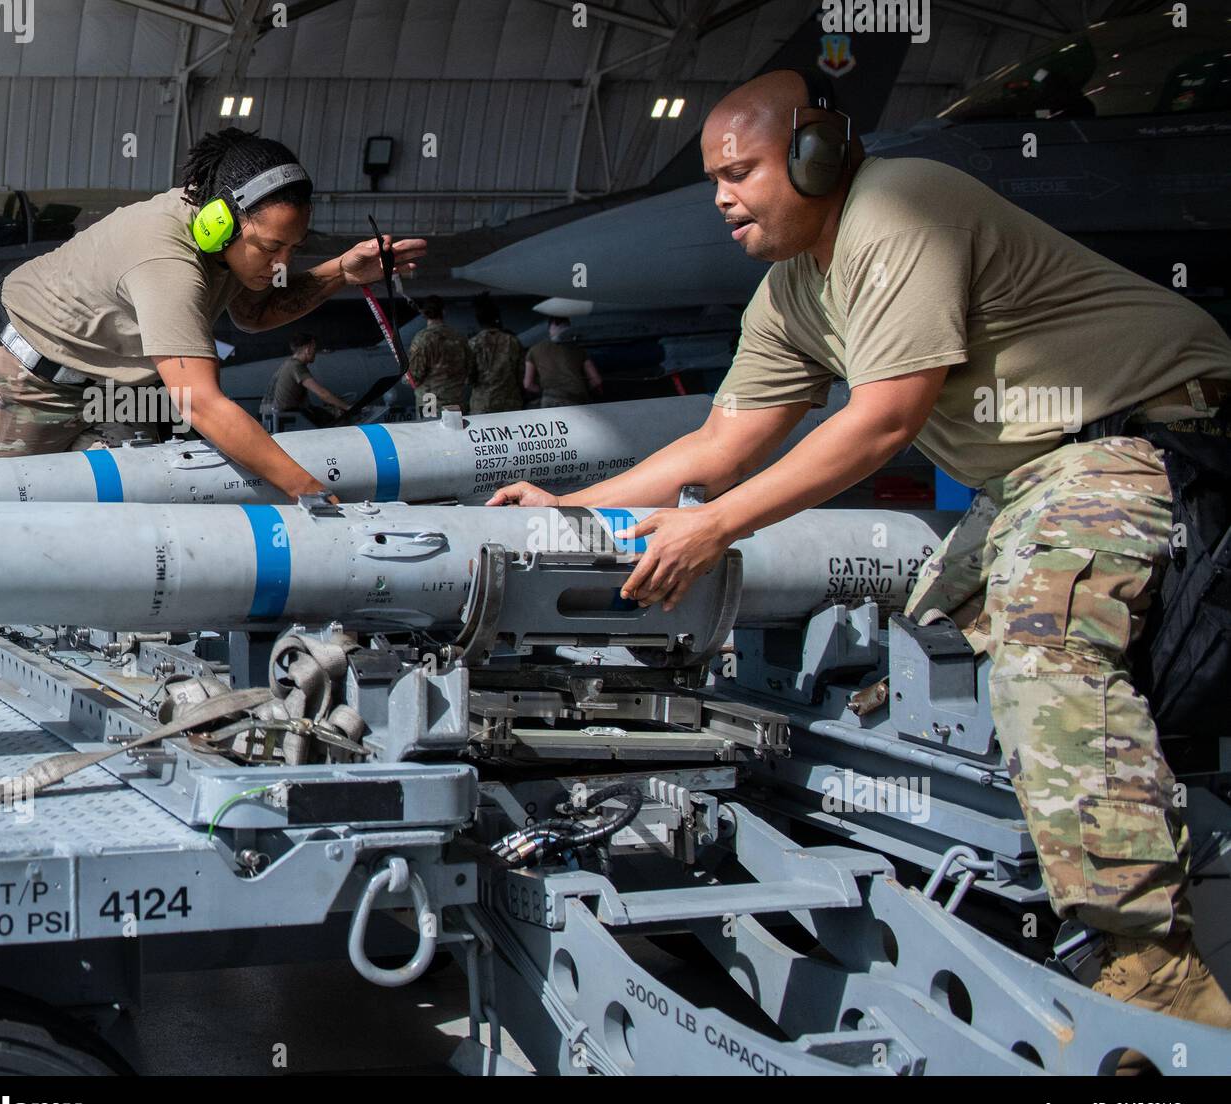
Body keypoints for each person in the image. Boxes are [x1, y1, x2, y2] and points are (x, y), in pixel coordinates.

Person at [488, 69, 1231, 1031]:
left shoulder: (897, 208)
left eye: (742, 170)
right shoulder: (796, 289)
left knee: (1046, 646)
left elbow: (882, 424)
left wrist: (715, 526)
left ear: (818, 155)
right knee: (923, 679)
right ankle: (1021, 872)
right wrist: (570, 507)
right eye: (715, 176)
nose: (721, 195)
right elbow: (722, 442)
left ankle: (1146, 955)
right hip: (1034, 474)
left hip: (1139, 434)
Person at [0, 127, 424, 501]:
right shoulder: (167, 262)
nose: (282, 265)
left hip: (110, 388)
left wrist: (341, 272)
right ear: (219, 221)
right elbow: (200, 404)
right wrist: (313, 494)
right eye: (273, 248)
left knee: (145, 500)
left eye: (294, 249)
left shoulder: (225, 243)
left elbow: (256, 314)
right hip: (23, 384)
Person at [260, 333, 349, 431]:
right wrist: (347, 407)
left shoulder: (288, 363)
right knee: (333, 420)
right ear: (308, 349)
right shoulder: (296, 366)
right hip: (285, 416)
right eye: (314, 348)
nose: (315, 352)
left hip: (273, 415)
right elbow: (322, 393)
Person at [408, 294, 471, 415]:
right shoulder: (459, 337)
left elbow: (414, 375)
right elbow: (470, 368)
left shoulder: (422, 339)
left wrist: (405, 377)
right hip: (455, 400)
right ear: (443, 311)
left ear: (424, 314)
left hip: (429, 401)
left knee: (429, 432)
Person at [523, 316, 602, 408]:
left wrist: (546, 393)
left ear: (549, 329)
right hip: (576, 398)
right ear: (568, 329)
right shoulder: (578, 349)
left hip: (549, 400)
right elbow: (596, 380)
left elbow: (528, 385)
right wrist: (585, 390)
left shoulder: (534, 350)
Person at [467, 294, 524, 414]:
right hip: (510, 403)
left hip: (483, 404)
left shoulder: (473, 343)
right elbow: (521, 374)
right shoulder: (512, 341)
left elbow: (469, 377)